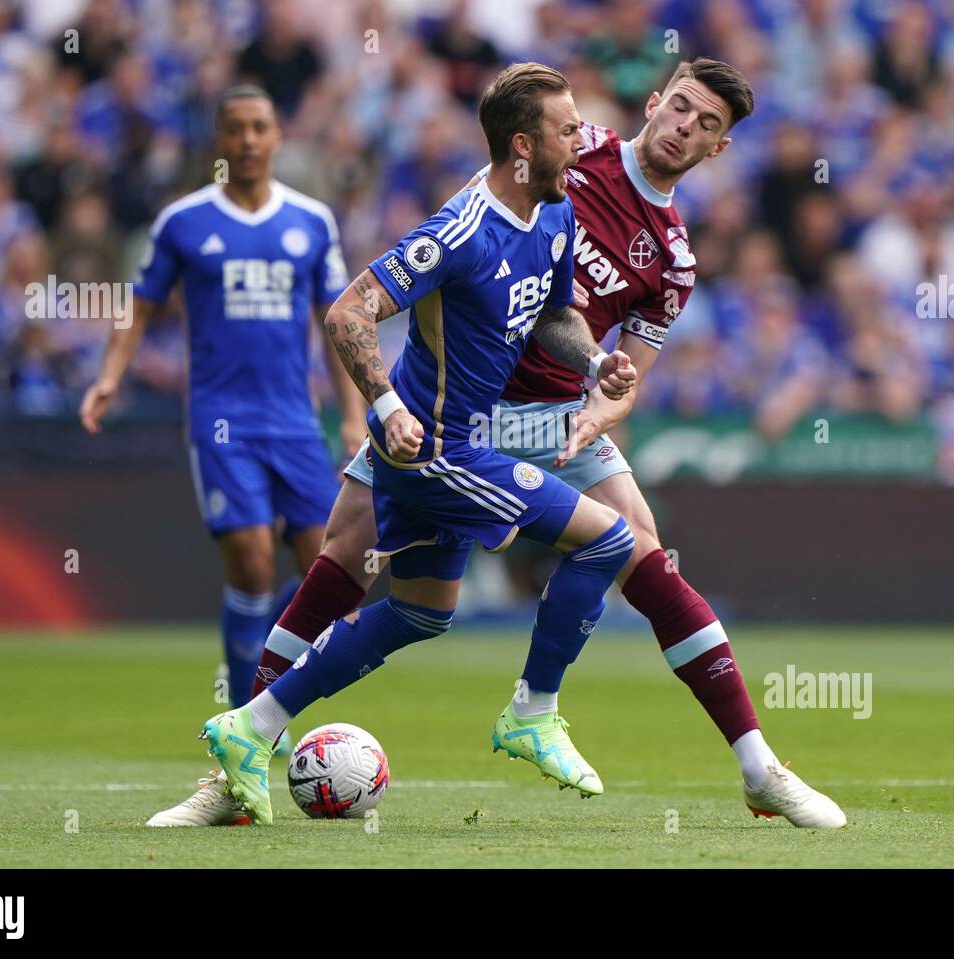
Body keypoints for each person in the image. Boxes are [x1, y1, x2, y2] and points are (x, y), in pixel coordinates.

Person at [195, 61, 642, 826]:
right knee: (608, 542)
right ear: (525, 146)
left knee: (422, 612)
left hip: (464, 440)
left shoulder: (559, 213)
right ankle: (532, 712)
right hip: (434, 449)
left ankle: (251, 725)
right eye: (570, 130)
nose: (586, 141)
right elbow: (347, 313)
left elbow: (551, 317)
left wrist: (598, 359)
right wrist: (388, 404)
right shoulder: (461, 229)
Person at [80, 85, 365, 718]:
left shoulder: (311, 221)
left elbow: (338, 322)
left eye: (260, 127)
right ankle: (244, 715)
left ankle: (269, 685)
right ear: (219, 139)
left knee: (332, 574)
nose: (248, 141)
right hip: (221, 420)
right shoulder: (183, 222)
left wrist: (351, 414)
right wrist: (110, 376)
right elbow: (141, 302)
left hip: (294, 420)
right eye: (235, 129)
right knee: (253, 562)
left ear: (277, 135)